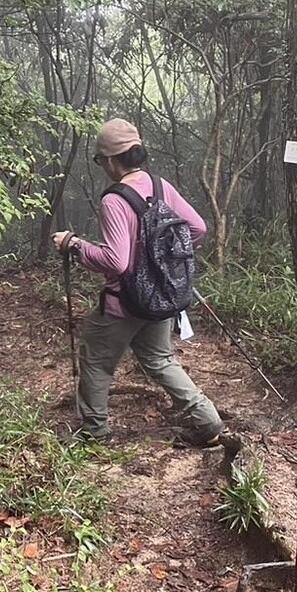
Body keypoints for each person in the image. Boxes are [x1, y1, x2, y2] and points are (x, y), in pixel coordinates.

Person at [52, 118, 224, 447]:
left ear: (112, 160)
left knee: (97, 359)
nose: (102, 165)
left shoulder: (115, 200)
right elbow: (198, 229)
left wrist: (75, 245)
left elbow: (116, 261)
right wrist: (165, 259)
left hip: (124, 303)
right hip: (162, 298)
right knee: (160, 360)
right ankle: (208, 420)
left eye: (100, 160)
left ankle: (95, 431)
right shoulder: (160, 187)